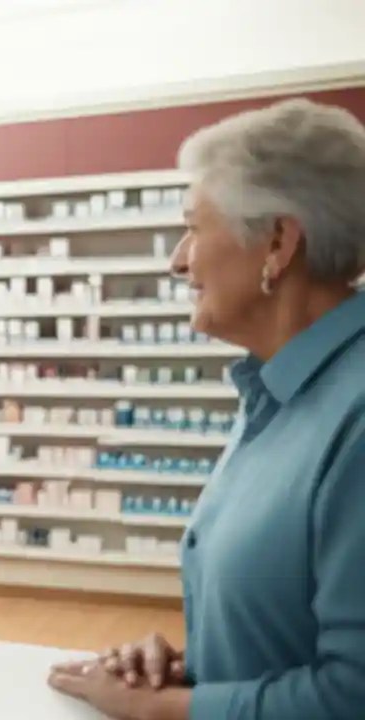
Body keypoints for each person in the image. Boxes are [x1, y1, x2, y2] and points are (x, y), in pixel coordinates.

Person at [47, 98, 365, 719]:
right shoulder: (275, 390)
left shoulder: (354, 418)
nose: (177, 259)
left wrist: (159, 709)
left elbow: (352, 696)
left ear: (277, 242)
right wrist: (195, 668)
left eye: (194, 227)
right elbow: (289, 627)